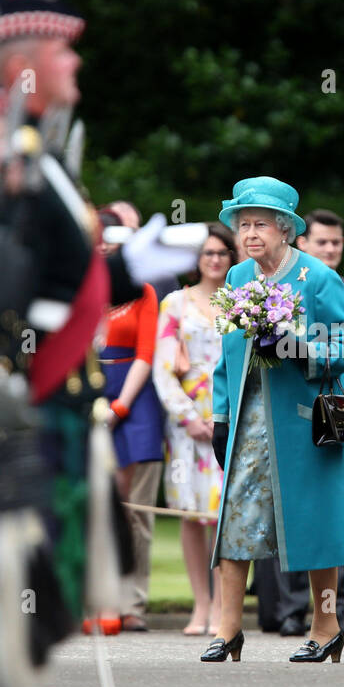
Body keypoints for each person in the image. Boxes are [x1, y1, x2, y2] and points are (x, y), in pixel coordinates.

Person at [203, 177, 344, 663]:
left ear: (284, 229)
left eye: (259, 224)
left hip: (304, 425)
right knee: (235, 520)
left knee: (315, 526)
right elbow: (226, 356)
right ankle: (228, 629)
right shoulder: (237, 279)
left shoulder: (317, 278)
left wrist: (299, 349)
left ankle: (326, 627)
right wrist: (220, 416)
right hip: (248, 426)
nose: (249, 233)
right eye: (243, 224)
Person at [252, 209, 344, 638]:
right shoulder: (267, 285)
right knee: (283, 510)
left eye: (336, 243)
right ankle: (287, 610)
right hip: (278, 412)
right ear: (302, 243)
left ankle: (338, 610)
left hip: (336, 407)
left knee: (332, 510)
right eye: (322, 242)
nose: (330, 249)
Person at [153, 224, 235, 634]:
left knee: (226, 513)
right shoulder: (175, 304)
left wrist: (226, 415)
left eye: (222, 252)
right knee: (190, 513)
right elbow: (163, 371)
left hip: (232, 417)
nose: (215, 259)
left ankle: (224, 605)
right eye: (208, 252)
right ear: (197, 258)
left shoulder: (243, 300)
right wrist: (189, 417)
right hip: (188, 423)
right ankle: (199, 605)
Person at [98, 260, 165, 634]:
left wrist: (121, 405)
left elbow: (146, 352)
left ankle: (132, 602)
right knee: (92, 505)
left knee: (135, 510)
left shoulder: (144, 290)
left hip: (135, 398)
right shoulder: (78, 284)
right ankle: (96, 600)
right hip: (89, 390)